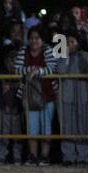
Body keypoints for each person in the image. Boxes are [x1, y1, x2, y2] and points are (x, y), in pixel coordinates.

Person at [15, 27, 57, 165]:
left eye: (37, 38)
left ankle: (45, 156)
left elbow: (52, 68)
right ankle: (32, 155)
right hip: (29, 94)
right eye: (32, 38)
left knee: (46, 127)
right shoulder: (23, 51)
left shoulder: (48, 50)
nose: (34, 41)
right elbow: (17, 69)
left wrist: (37, 72)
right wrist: (31, 70)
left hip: (48, 93)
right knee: (31, 126)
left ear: (42, 39)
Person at [55, 32, 88, 165]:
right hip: (66, 96)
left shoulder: (85, 55)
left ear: (78, 43)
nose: (69, 45)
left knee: (83, 125)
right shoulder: (61, 57)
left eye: (72, 42)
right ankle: (68, 156)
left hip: (83, 95)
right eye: (67, 42)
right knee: (66, 126)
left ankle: (83, 156)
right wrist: (65, 55)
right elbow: (60, 71)